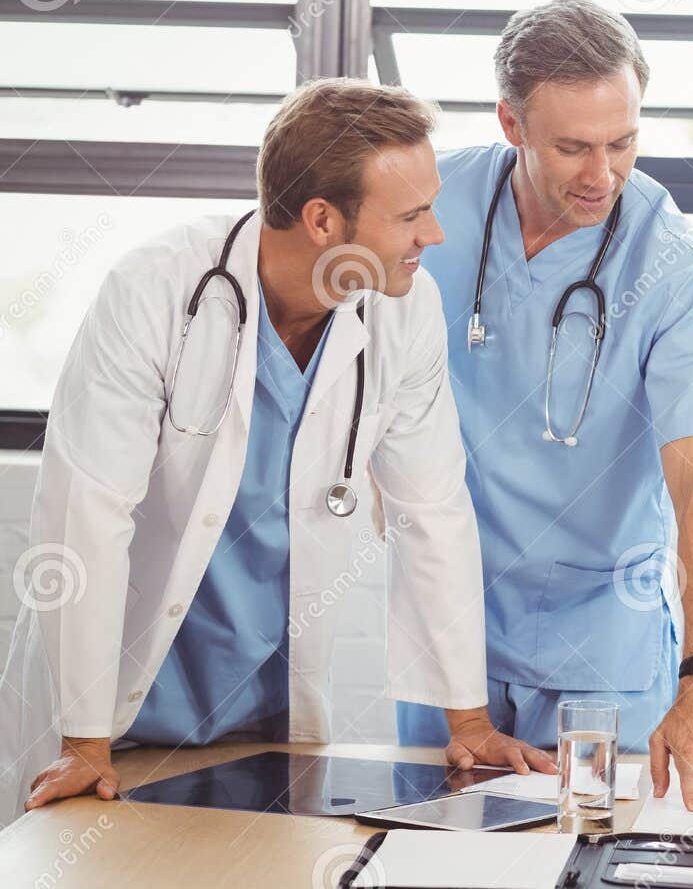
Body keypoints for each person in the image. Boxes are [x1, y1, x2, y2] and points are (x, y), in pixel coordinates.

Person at [2, 79, 544, 823]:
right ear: (322, 219)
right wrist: (84, 739)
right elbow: (87, 512)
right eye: (411, 215)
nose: (435, 235)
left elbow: (433, 512)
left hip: (265, 714)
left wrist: (469, 720)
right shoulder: (156, 290)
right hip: (110, 706)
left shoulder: (404, 311)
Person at [396, 0, 693, 811]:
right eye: (573, 147)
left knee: (587, 861)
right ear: (511, 123)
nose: (602, 175)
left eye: (622, 142)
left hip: (599, 652)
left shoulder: (683, 275)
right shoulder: (430, 205)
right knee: (425, 856)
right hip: (447, 632)